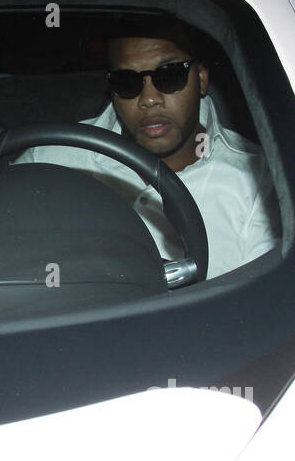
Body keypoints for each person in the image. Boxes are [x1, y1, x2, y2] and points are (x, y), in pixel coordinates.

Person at [15, 17, 279, 278]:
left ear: (201, 77)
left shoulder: (260, 183)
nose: (149, 99)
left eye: (169, 76)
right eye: (127, 81)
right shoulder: (52, 158)